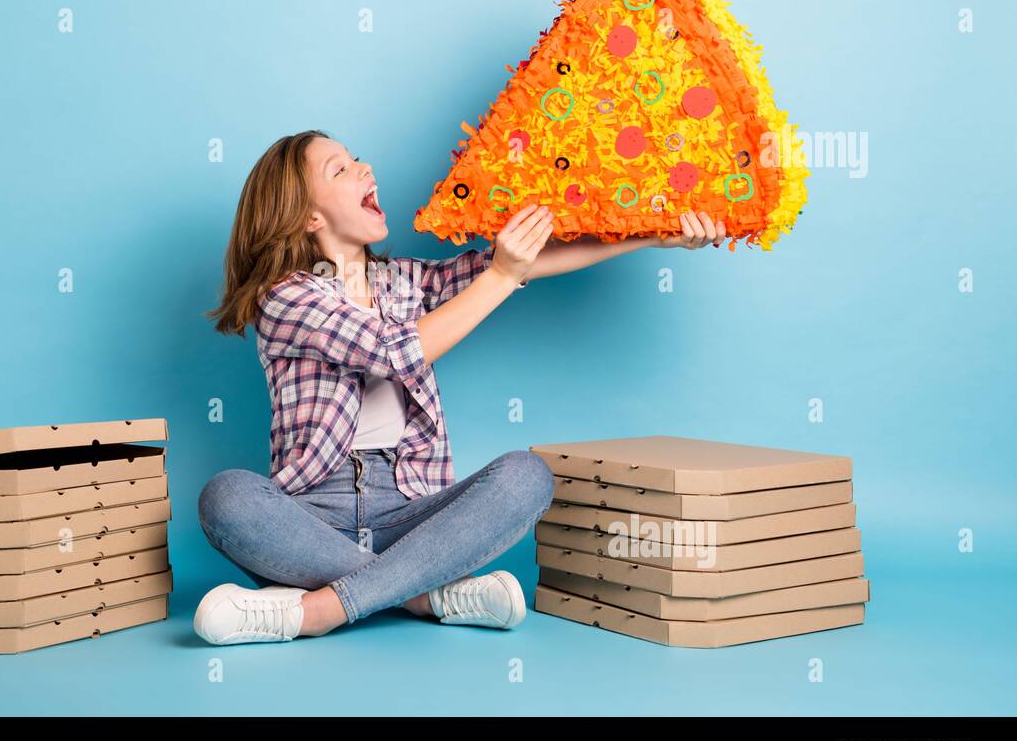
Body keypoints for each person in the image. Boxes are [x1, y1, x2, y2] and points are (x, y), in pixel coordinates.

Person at [197, 130, 726, 645]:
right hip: (311, 518)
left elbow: (524, 264)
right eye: (341, 168)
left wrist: (654, 233)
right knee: (227, 496)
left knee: (527, 476)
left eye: (357, 158)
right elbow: (395, 353)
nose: (365, 168)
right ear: (309, 215)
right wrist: (500, 276)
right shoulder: (286, 298)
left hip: (408, 510)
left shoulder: (401, 282)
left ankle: (322, 609)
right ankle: (421, 594)